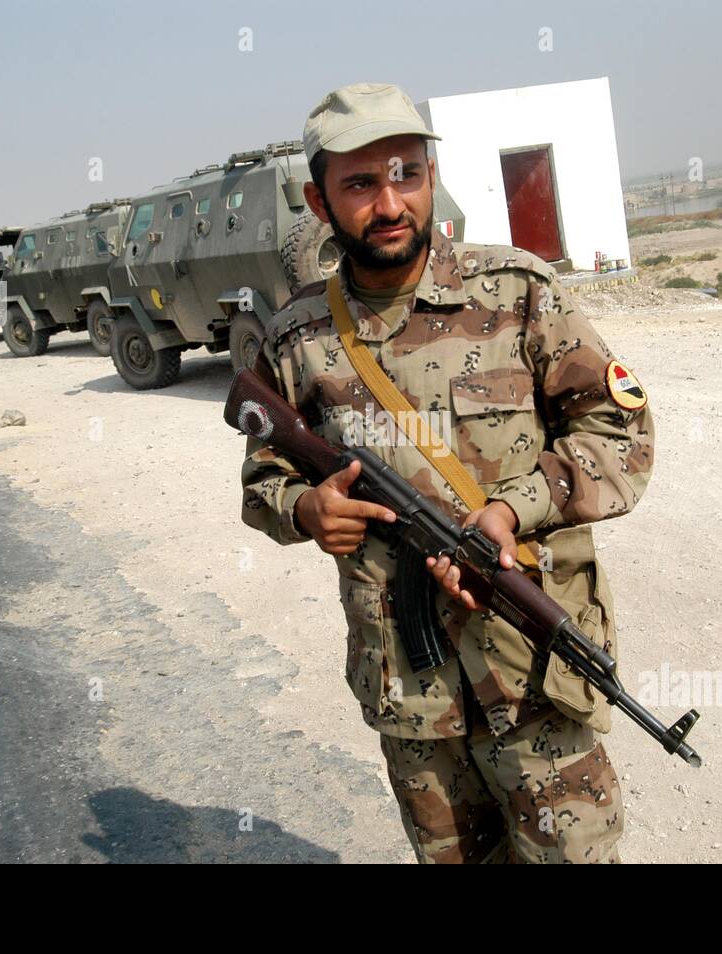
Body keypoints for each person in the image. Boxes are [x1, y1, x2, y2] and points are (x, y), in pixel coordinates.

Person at [239, 83, 656, 863]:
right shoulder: (297, 340)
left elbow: (622, 430)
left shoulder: (518, 294)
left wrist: (512, 509)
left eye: (405, 174)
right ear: (318, 200)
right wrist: (303, 510)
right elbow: (262, 474)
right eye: (359, 184)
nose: (388, 202)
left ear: (431, 174)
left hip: (533, 667)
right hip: (410, 688)